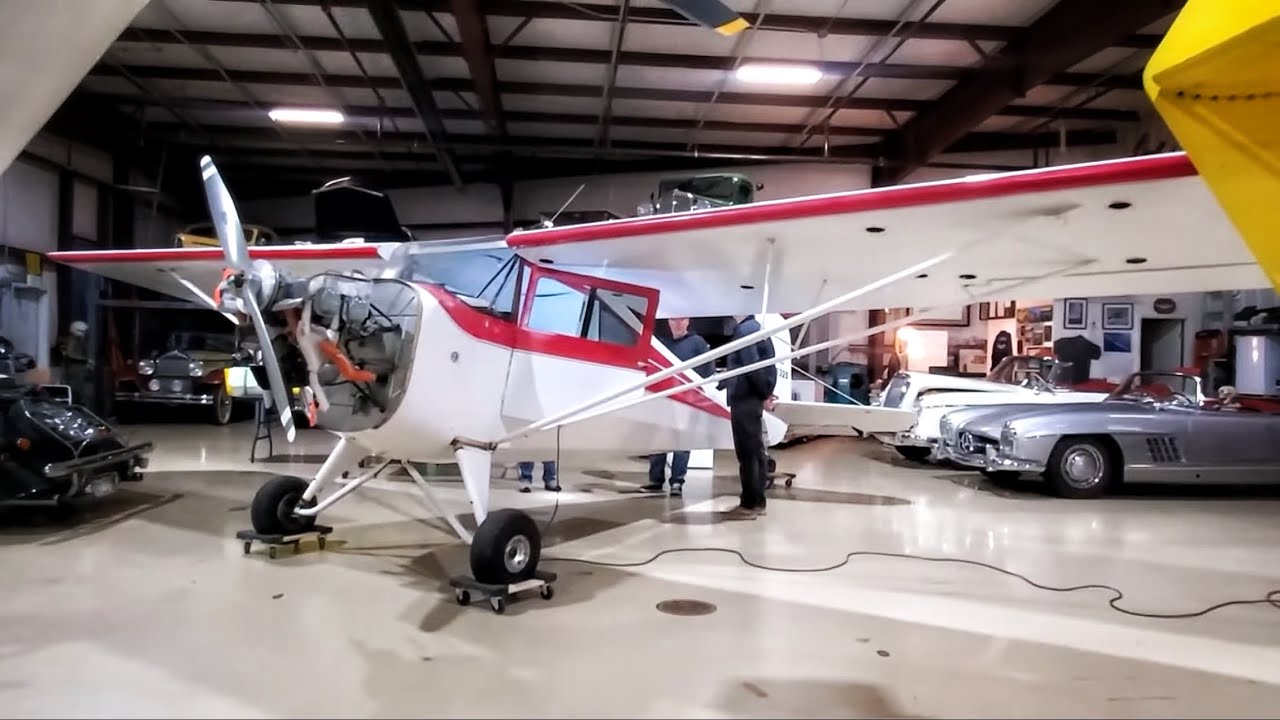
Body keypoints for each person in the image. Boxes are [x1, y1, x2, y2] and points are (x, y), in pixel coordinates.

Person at [640, 317, 711, 497]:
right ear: (669, 322)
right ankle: (655, 480)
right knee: (658, 441)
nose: (678, 323)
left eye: (682, 320)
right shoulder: (663, 344)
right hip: (662, 400)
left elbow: (707, 372)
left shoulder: (698, 344)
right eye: (674, 320)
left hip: (687, 401)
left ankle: (677, 482)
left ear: (688, 322)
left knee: (682, 444)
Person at [719, 314, 777, 519]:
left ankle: (751, 502)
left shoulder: (745, 331)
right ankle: (757, 501)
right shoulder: (754, 328)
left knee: (748, 453)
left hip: (745, 398)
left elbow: (751, 367)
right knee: (755, 450)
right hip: (751, 397)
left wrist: (764, 393)